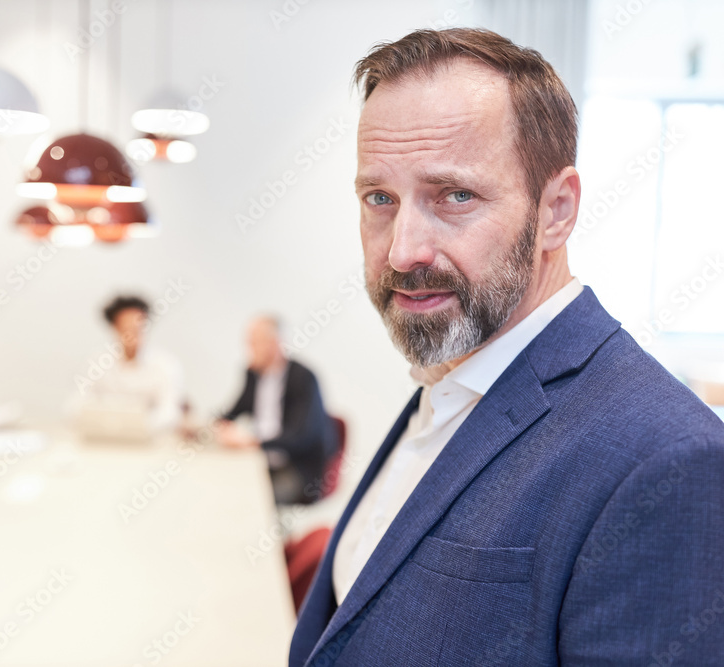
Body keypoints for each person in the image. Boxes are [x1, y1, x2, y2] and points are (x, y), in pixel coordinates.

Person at [290, 28, 724, 666]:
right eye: (379, 198)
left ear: (556, 210)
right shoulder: (450, 381)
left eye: (455, 196)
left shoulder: (671, 460)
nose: (403, 249)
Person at [217, 316, 337, 505]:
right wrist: (212, 426)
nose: (249, 350)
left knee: (246, 501)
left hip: (297, 470)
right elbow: (234, 410)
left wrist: (253, 443)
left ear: (275, 344)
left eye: (255, 343)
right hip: (261, 462)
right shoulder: (254, 375)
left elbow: (302, 437)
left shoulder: (303, 378)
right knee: (220, 485)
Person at [87, 295, 184, 432]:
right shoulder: (98, 363)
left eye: (138, 328)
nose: (132, 335)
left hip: (150, 440)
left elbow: (169, 412)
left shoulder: (165, 365)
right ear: (115, 328)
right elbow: (80, 403)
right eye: (126, 329)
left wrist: (137, 426)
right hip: (105, 436)